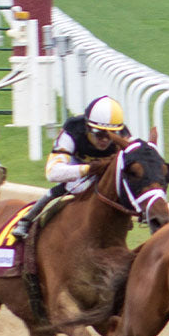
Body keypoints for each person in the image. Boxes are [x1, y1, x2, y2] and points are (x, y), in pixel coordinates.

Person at [11, 95, 130, 240]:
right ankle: (27, 221)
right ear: (87, 128)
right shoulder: (72, 131)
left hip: (107, 172)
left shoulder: (124, 136)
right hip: (77, 165)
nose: (105, 140)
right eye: (99, 134)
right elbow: (52, 173)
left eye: (111, 135)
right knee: (78, 187)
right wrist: (88, 169)